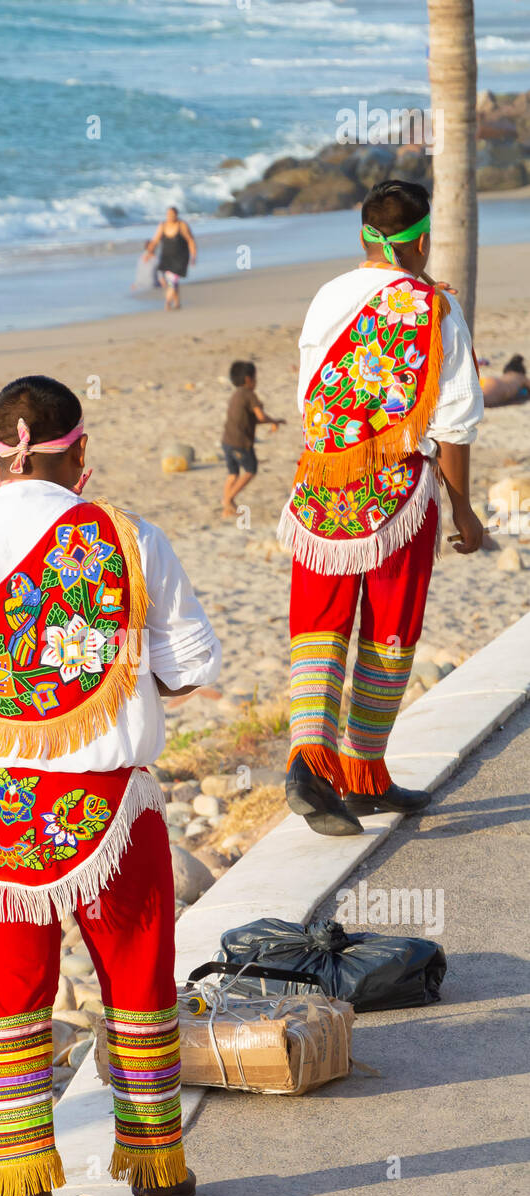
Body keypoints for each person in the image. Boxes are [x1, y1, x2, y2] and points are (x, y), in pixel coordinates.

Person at [0, 375, 220, 1196]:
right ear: (80, 452)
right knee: (139, 983)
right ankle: (157, 1172)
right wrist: (117, 673)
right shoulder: (128, 538)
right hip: (109, 804)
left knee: (11, 999)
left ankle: (24, 1194)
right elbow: (192, 666)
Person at [276, 179, 484, 835]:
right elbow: (454, 424)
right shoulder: (433, 308)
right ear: (419, 241)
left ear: (366, 236)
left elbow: (313, 394)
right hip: (399, 490)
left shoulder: (326, 298)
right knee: (390, 630)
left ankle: (315, 764)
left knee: (319, 624)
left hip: (319, 488)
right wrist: (464, 510)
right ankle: (361, 771)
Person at [221, 360, 285, 519]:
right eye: (255, 378)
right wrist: (273, 421)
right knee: (251, 470)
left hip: (227, 440)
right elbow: (260, 416)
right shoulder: (249, 395)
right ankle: (228, 500)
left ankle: (227, 509)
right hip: (240, 442)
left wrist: (273, 421)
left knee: (233, 474)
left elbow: (250, 418)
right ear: (249, 379)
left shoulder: (236, 395)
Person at [144, 206, 197, 310]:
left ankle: (168, 302)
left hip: (180, 258)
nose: (170, 216)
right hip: (166, 258)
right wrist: (148, 253)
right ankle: (177, 303)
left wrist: (193, 255)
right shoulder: (162, 226)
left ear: (176, 215)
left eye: (172, 214)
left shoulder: (182, 225)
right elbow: (155, 240)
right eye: (168, 214)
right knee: (171, 280)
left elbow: (190, 240)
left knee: (173, 279)